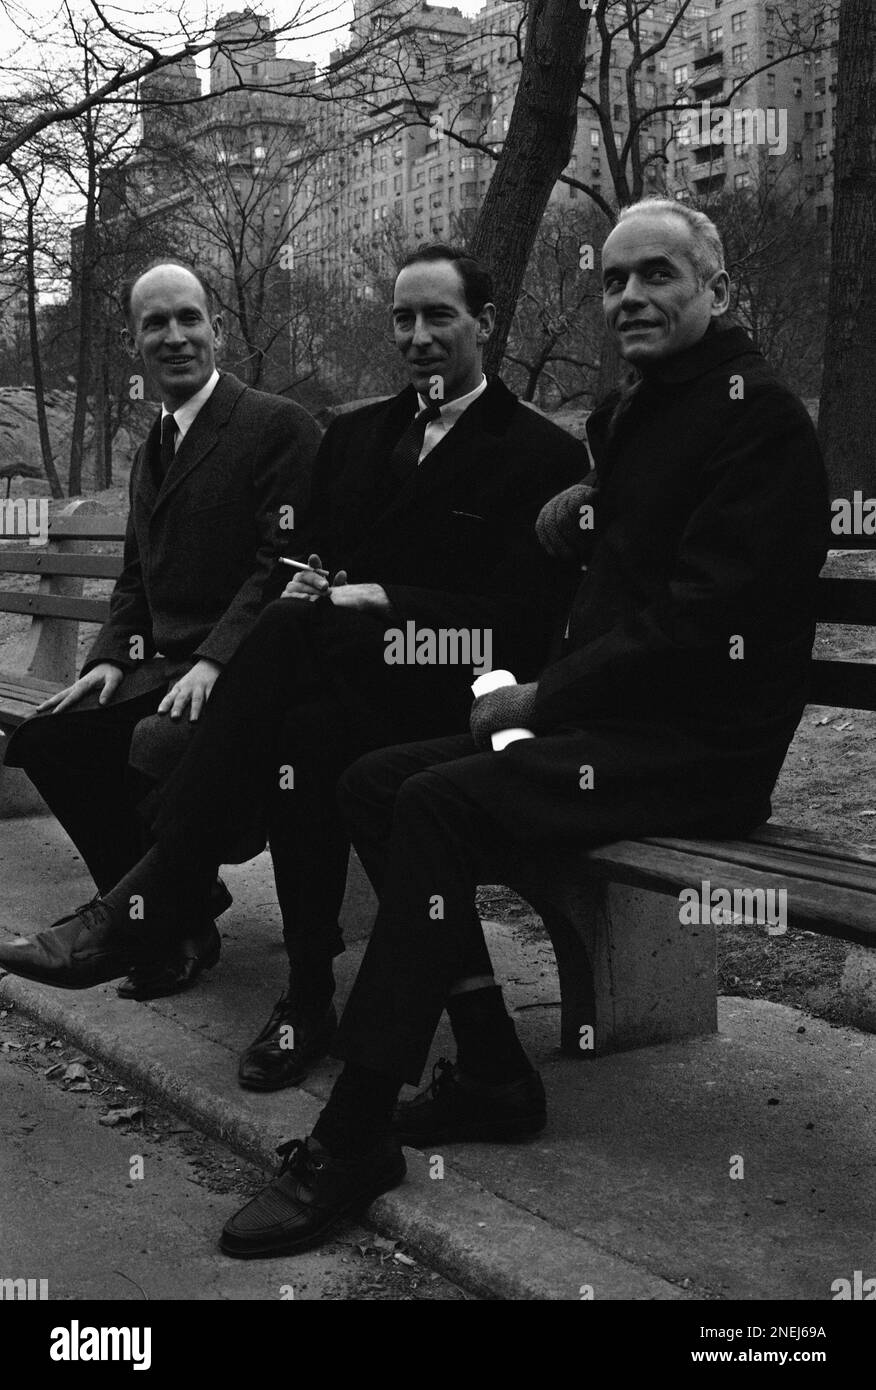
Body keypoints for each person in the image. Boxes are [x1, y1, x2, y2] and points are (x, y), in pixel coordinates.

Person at [212, 197, 831, 1258]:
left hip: (697, 750)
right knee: (369, 780)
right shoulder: (644, 407)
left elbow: (699, 623)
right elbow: (643, 528)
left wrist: (539, 699)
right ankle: (494, 1064)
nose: (629, 295)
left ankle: (355, 1131)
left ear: (717, 291)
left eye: (659, 276)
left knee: (436, 800)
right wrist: (587, 500)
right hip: (616, 730)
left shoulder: (759, 417)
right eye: (614, 279)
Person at [0, 246, 585, 1093]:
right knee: (300, 737)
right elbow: (306, 555)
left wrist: (383, 598)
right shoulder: (356, 436)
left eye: (439, 317)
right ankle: (304, 996)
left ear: (486, 324)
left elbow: (524, 631)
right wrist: (322, 582)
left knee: (293, 701)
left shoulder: (542, 456)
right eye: (402, 319)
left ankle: (154, 905)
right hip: (337, 680)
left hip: (451, 685)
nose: (417, 337)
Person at [2, 260, 319, 996]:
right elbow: (138, 576)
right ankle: (180, 914)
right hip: (162, 673)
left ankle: (147, 923)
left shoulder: (275, 426)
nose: (176, 337)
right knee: (45, 740)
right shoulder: (156, 444)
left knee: (151, 744)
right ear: (132, 343)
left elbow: (286, 561)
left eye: (189, 318)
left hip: (246, 675)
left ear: (218, 328)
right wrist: (112, 656)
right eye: (156, 324)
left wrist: (215, 659)